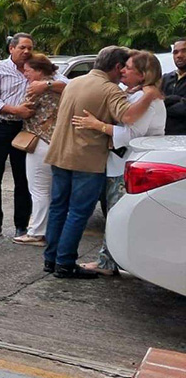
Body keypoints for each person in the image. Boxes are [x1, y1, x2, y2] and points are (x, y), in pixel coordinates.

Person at [43, 46, 161, 279]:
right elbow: (129, 117)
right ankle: (65, 263)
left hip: (59, 154)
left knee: (58, 208)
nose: (124, 73)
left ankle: (51, 259)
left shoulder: (74, 82)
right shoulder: (109, 90)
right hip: (86, 159)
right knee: (78, 212)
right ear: (116, 67)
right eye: (124, 68)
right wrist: (149, 95)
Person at [74, 51, 167, 275]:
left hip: (130, 165)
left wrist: (98, 125)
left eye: (128, 67)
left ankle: (108, 263)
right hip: (120, 164)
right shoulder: (134, 94)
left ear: (143, 74)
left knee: (118, 216)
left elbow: (132, 135)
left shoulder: (148, 99)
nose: (122, 70)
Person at [0, 33, 66, 240]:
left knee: (23, 179)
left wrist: (45, 85)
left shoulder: (38, 69)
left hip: (24, 130)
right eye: (22, 48)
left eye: (30, 48)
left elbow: (66, 83)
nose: (26, 52)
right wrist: (16, 110)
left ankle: (21, 225)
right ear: (11, 48)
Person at [14, 53, 64, 247]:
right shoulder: (58, 85)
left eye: (28, 71)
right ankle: (47, 229)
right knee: (50, 190)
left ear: (39, 71)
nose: (25, 74)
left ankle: (36, 232)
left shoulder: (36, 89)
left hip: (39, 141)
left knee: (39, 189)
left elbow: (24, 111)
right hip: (56, 141)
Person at [162, 39, 186, 135]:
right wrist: (178, 100)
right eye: (175, 52)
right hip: (165, 140)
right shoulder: (165, 78)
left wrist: (164, 105)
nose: (179, 55)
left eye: (184, 51)